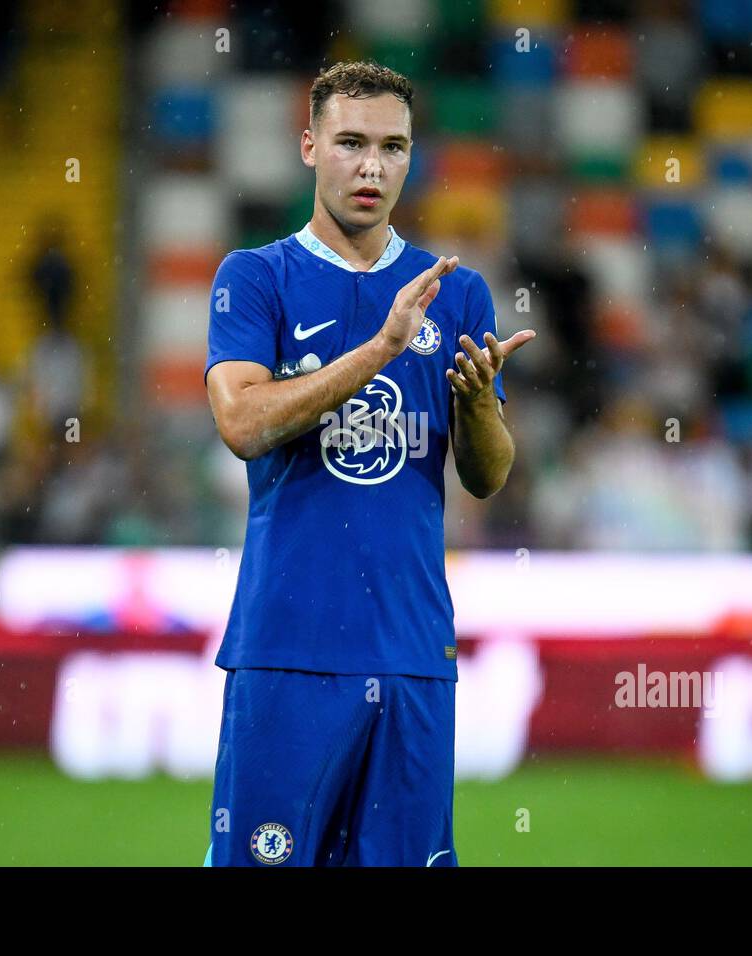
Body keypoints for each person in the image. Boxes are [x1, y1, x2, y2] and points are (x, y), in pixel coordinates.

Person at [201, 61, 534, 866]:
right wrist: (381, 350)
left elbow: (486, 475)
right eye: (351, 143)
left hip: (412, 651)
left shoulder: (456, 295)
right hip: (288, 645)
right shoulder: (255, 279)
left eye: (393, 147)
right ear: (310, 146)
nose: (372, 167)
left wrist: (480, 406)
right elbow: (242, 422)